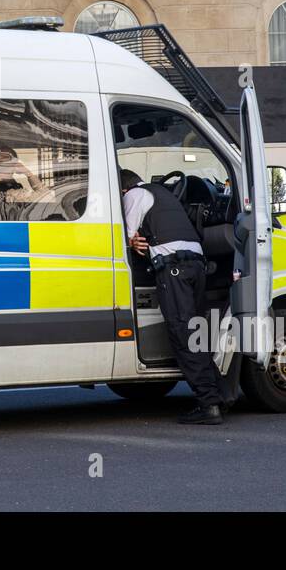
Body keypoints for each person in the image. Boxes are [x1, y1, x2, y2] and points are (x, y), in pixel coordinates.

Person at [120, 168, 224, 425]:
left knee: (183, 333)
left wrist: (131, 242)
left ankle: (209, 404)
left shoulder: (133, 195)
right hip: (196, 265)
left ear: (123, 188)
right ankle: (220, 394)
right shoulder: (164, 194)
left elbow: (127, 237)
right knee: (196, 331)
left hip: (173, 269)